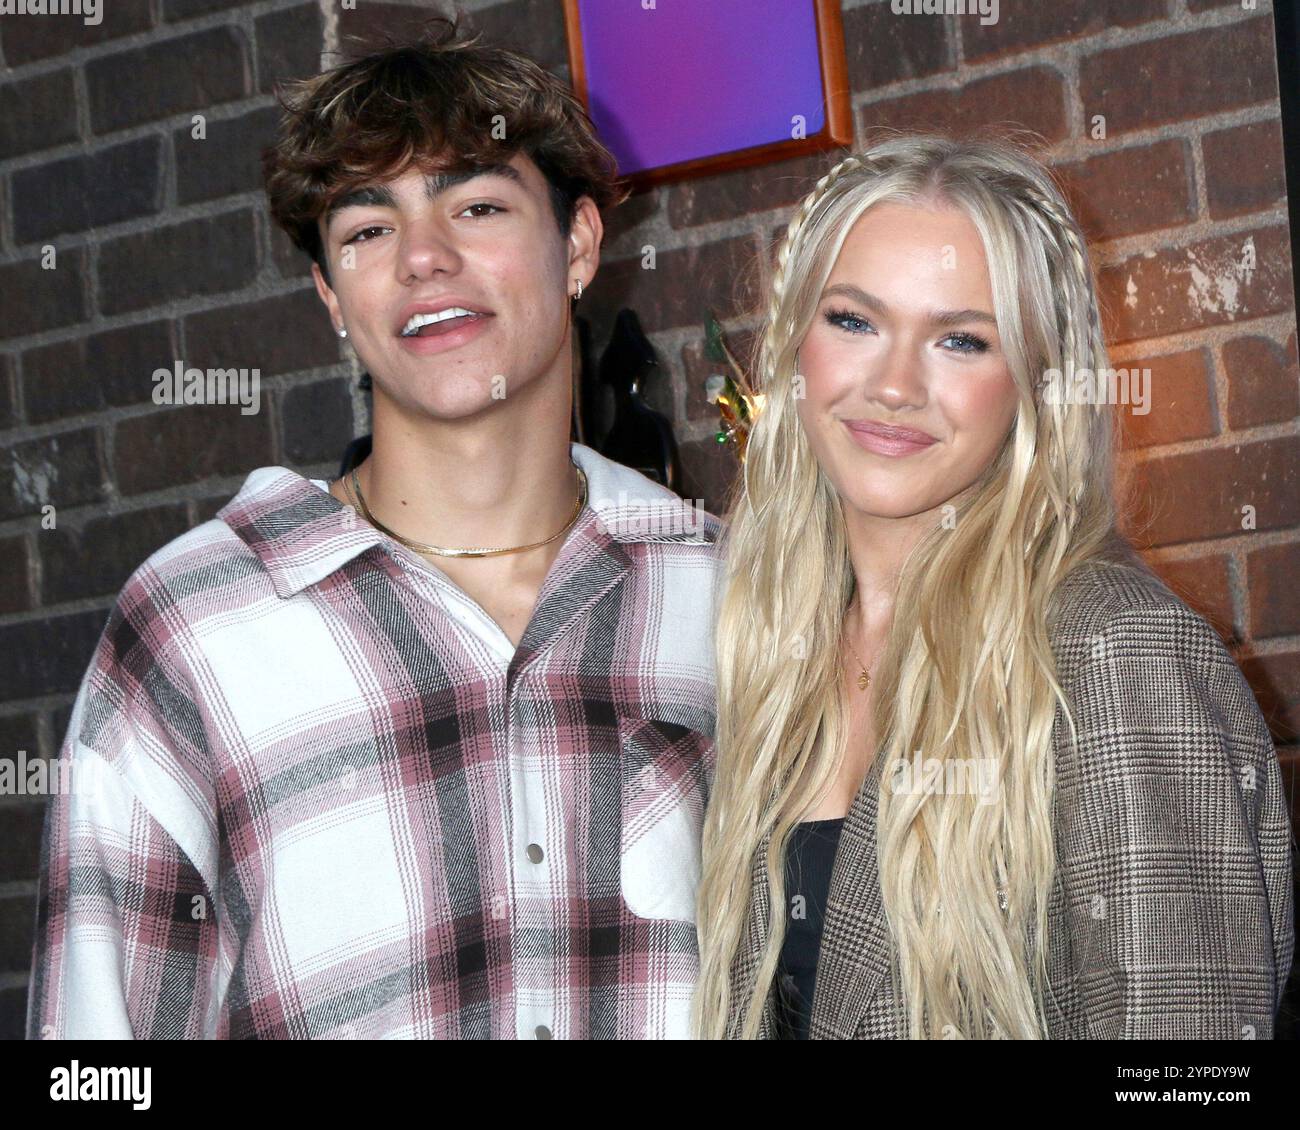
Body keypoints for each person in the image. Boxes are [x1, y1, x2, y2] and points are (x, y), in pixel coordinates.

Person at [27, 23, 721, 1040]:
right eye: (366, 231)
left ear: (576, 245)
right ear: (331, 296)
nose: (423, 259)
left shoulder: (724, 587)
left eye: (476, 206)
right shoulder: (198, 626)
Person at [693, 134, 1295, 1040]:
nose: (894, 386)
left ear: (1036, 385)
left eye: (961, 340)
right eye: (854, 321)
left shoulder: (1111, 649)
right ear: (793, 352)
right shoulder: (775, 643)